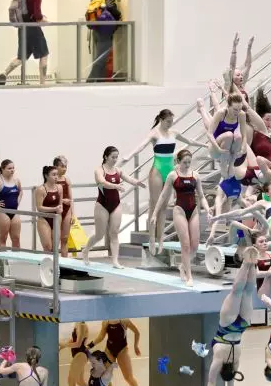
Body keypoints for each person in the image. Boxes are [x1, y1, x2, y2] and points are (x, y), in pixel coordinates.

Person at [121, 110, 206, 256]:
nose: (170, 124)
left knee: (164, 206)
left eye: (171, 122)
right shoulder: (154, 133)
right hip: (157, 170)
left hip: (170, 170)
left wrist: (205, 145)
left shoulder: (174, 133)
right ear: (161, 119)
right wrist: (129, 156)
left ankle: (160, 240)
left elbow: (190, 141)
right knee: (154, 205)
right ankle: (152, 239)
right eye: (168, 121)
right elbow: (141, 145)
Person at [206, 247, 257, 386]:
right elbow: (212, 383)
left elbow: (230, 383)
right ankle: (247, 263)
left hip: (240, 327)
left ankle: (250, 264)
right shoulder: (218, 361)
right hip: (227, 327)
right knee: (238, 291)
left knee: (247, 292)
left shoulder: (233, 362)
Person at [150, 150, 211, 285]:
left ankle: (183, 265)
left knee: (195, 246)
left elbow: (201, 196)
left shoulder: (196, 175)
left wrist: (207, 210)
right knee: (185, 245)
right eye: (184, 162)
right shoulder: (173, 175)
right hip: (179, 211)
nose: (187, 165)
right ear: (178, 162)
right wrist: (154, 213)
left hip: (193, 210)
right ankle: (189, 276)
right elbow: (163, 196)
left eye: (189, 162)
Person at [81, 146, 145, 269]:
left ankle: (115, 261)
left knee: (114, 233)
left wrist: (137, 182)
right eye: (113, 157)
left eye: (116, 157)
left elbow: (129, 178)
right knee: (99, 235)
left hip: (115, 205)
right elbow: (102, 182)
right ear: (106, 156)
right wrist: (116, 186)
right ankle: (86, 250)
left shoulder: (118, 170)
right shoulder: (99, 170)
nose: (115, 159)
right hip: (102, 205)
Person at [0, 0, 48, 86]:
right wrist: (45, 19)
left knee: (21, 57)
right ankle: (43, 84)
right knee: (44, 55)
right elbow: (38, 16)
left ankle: (4, 73)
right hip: (33, 29)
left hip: (22, 29)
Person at [92, 319, 143, 386]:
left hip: (122, 350)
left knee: (128, 377)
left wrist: (136, 346)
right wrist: (90, 345)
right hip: (109, 350)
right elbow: (101, 336)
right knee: (105, 376)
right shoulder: (106, 322)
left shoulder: (124, 321)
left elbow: (137, 332)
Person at [86, 0, 122, 82]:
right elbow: (111, 7)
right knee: (101, 60)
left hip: (96, 30)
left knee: (100, 58)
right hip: (105, 31)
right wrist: (119, 15)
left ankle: (99, 83)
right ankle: (89, 82)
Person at [59, 321, 90, 386]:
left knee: (71, 380)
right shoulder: (77, 323)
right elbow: (73, 340)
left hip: (81, 354)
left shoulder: (82, 325)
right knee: (80, 381)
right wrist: (62, 347)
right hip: (78, 354)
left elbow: (78, 344)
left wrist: (64, 345)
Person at [34, 165, 63, 252]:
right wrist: (54, 209)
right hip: (44, 219)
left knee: (55, 248)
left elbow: (60, 204)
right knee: (47, 247)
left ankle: (54, 265)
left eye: (57, 175)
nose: (56, 177)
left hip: (56, 219)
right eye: (53, 175)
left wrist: (60, 209)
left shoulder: (59, 188)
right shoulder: (41, 189)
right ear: (46, 176)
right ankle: (47, 265)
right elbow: (39, 208)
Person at [53, 156, 74, 256]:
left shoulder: (67, 180)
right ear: (55, 167)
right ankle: (54, 262)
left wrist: (73, 214)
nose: (64, 169)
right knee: (55, 239)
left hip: (67, 209)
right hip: (56, 210)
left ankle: (65, 262)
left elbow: (71, 198)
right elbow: (49, 197)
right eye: (62, 166)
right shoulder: (52, 180)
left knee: (65, 238)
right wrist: (61, 200)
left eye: (66, 166)